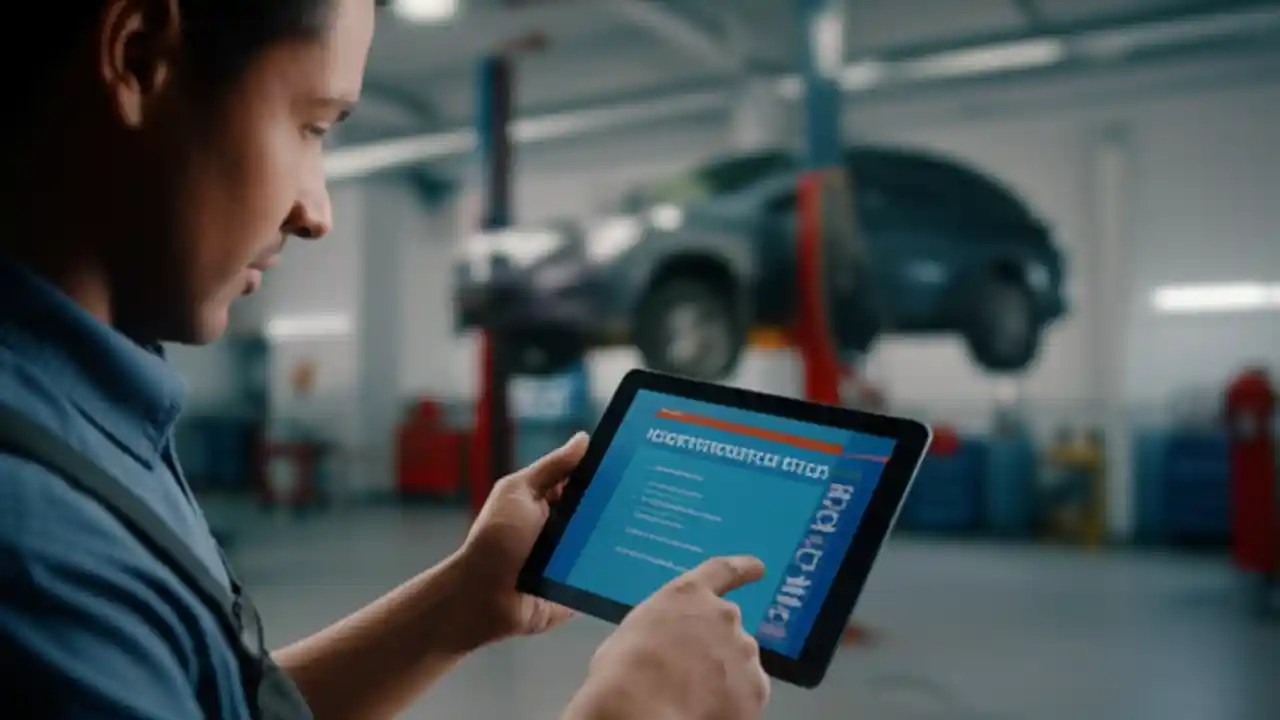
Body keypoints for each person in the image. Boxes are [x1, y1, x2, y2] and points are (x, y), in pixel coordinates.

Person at [0, 1, 771, 718]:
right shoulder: (33, 541)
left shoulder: (81, 409)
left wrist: (456, 605)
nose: (317, 213)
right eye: (312, 126)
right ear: (137, 60)